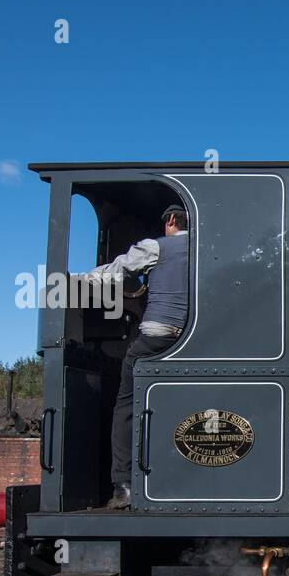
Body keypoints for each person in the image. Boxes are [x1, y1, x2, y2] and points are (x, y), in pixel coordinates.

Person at [79, 204, 190, 509]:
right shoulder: (206, 250)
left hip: (158, 336)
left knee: (125, 402)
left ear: (170, 221)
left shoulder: (156, 246)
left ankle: (123, 484)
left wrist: (79, 279)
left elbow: (118, 270)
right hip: (194, 340)